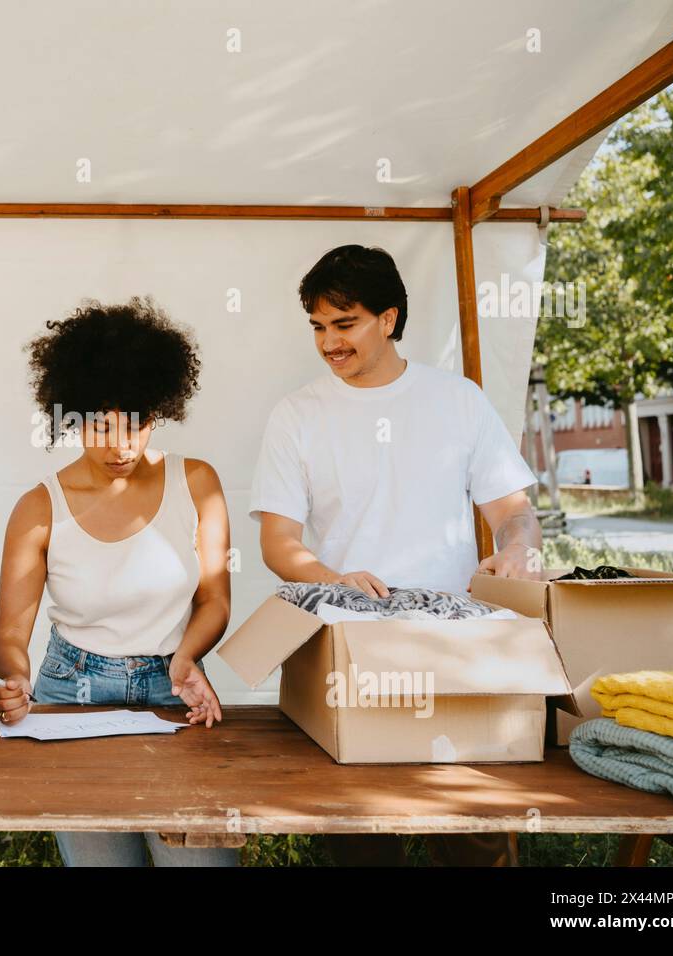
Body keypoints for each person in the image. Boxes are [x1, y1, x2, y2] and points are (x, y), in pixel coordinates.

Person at [251, 245, 542, 866]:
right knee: (361, 844)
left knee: (476, 841)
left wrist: (517, 551)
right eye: (318, 328)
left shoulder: (457, 400)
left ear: (388, 318)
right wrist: (335, 582)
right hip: (346, 651)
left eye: (344, 323)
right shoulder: (297, 415)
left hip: (455, 652)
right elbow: (278, 544)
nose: (330, 342)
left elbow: (514, 512)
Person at [0, 296, 237, 867]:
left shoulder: (197, 483)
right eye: (100, 425)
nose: (121, 445)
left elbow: (215, 599)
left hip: (174, 691)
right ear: (68, 417)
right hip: (71, 696)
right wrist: (14, 679)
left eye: (137, 423)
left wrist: (189, 657)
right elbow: (9, 632)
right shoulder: (39, 508)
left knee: (201, 860)